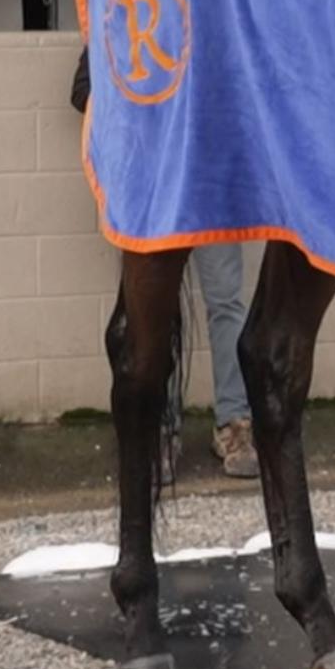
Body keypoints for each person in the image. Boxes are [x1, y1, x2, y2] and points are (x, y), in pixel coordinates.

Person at [71, 48, 260, 478]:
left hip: (214, 191)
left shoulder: (220, 14)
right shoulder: (139, 10)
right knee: (157, 312)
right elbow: (83, 89)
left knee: (227, 303)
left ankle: (235, 424)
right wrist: (140, 115)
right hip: (153, 194)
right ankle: (161, 426)